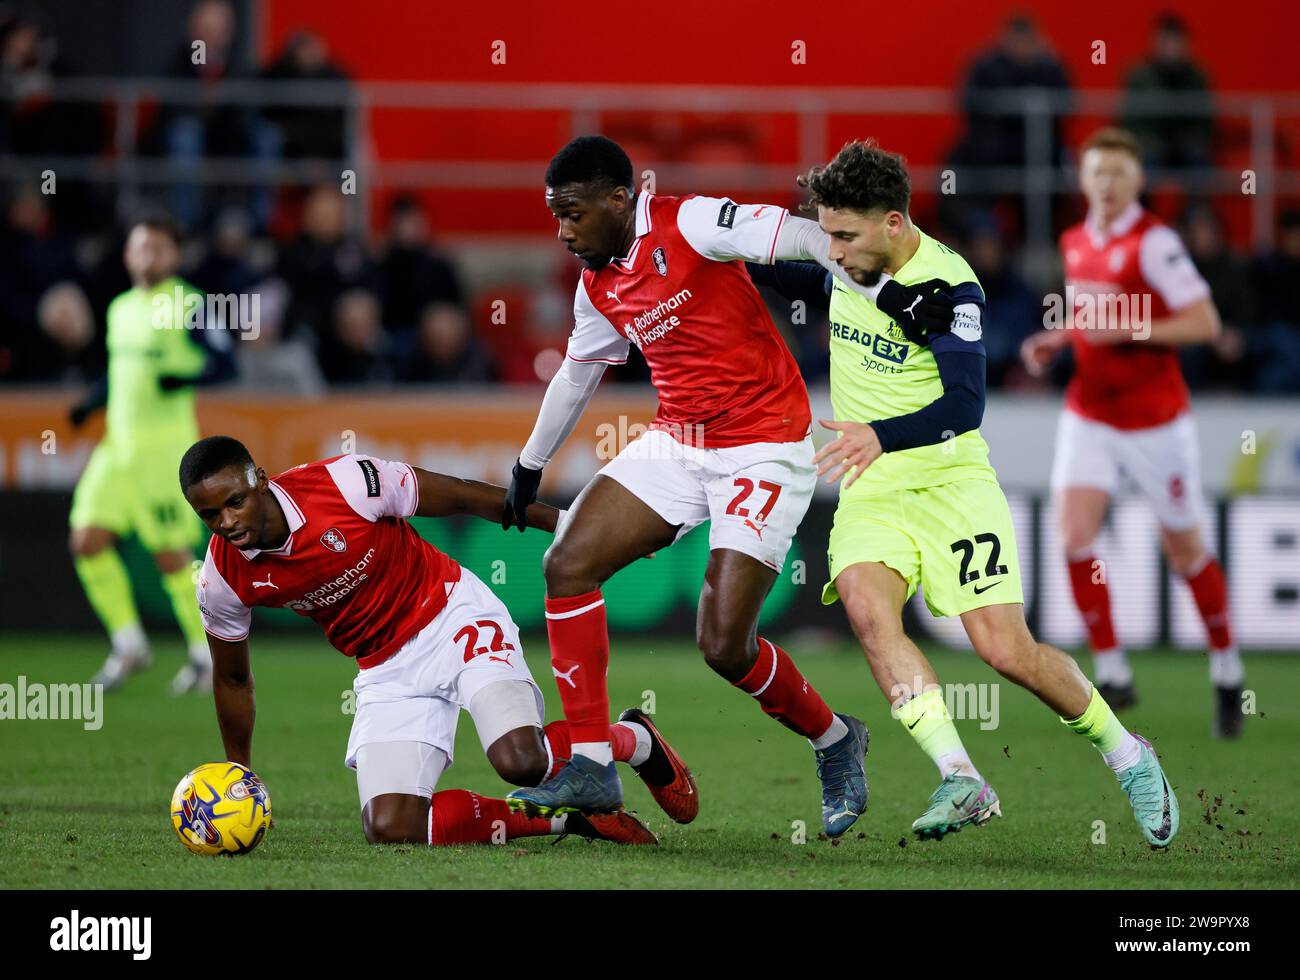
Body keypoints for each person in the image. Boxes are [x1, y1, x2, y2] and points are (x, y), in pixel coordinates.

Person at [500, 136, 952, 838]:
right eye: (556, 216)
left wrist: (882, 283)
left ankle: (835, 738)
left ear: (620, 200)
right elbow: (577, 373)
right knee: (566, 562)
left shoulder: (693, 222)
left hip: (766, 446)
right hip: (681, 441)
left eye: (573, 213)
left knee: (723, 646)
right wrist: (529, 465)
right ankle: (592, 760)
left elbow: (795, 235)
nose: (563, 231)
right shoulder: (598, 281)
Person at [759, 139, 1179, 847]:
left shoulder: (950, 286)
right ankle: (961, 776)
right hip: (873, 487)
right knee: (865, 610)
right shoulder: (845, 266)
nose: (829, 250)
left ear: (893, 223)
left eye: (844, 235)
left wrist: (881, 435)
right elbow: (763, 269)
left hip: (950, 481)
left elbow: (966, 403)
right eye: (823, 233)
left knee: (1006, 653)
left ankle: (1129, 755)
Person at [179, 435, 698, 846]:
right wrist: (239, 772)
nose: (227, 522)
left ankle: (635, 740)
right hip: (384, 669)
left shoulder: (344, 483)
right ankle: (571, 823)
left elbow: (464, 495)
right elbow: (232, 677)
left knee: (520, 760)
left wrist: (570, 525)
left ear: (260, 480)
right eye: (210, 515)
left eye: (235, 502)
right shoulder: (221, 579)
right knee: (391, 826)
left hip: (453, 616)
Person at [1020, 127, 1239, 736]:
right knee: (1073, 538)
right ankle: (1112, 672)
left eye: (1118, 173)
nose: (1107, 184)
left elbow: (1203, 322)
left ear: (1138, 180)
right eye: (1097, 172)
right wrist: (1057, 337)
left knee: (1185, 550)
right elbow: (1090, 316)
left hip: (1154, 420)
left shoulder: (1156, 243)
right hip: (1090, 412)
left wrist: (1135, 330)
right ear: (1083, 179)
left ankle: (1226, 669)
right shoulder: (1074, 241)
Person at [68, 214, 237, 694]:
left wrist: (183, 378)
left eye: (159, 248)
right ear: (127, 254)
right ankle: (129, 645)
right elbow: (121, 372)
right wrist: (90, 402)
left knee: (171, 557)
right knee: (86, 542)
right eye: (141, 248)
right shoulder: (120, 308)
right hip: (117, 449)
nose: (149, 256)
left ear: (174, 256)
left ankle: (205, 655)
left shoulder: (189, 304)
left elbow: (227, 365)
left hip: (165, 451)